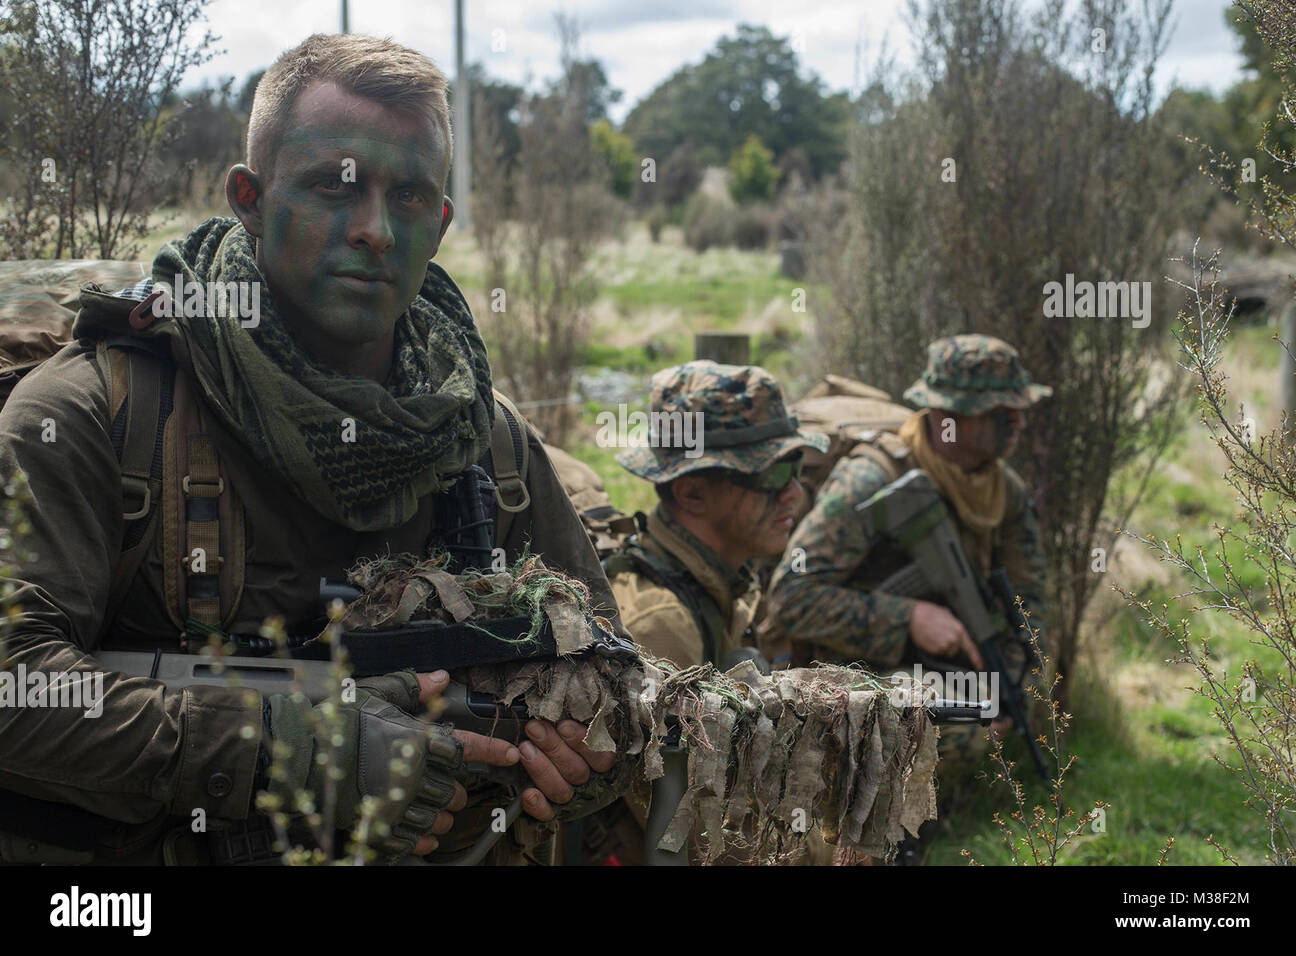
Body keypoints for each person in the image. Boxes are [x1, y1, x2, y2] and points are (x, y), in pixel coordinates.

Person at [0, 33, 623, 865]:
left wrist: (581, 749)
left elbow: (611, 670)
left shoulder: (486, 443)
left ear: (438, 223)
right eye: (335, 187)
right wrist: (285, 751)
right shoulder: (98, 412)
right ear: (249, 201)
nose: (372, 229)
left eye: (408, 198)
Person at [761, 335, 1052, 850]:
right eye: (1001, 411)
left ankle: (912, 813)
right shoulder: (871, 479)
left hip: (938, 664)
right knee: (950, 735)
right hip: (847, 666)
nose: (1019, 422)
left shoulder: (1002, 492)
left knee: (994, 713)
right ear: (949, 414)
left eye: (1019, 409)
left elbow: (1029, 607)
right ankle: (861, 832)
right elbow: (789, 597)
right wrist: (907, 617)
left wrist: (1008, 679)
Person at [573, 360, 827, 864]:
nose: (795, 491)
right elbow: (695, 837)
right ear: (691, 492)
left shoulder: (721, 581)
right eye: (773, 473)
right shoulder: (662, 625)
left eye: (796, 467)